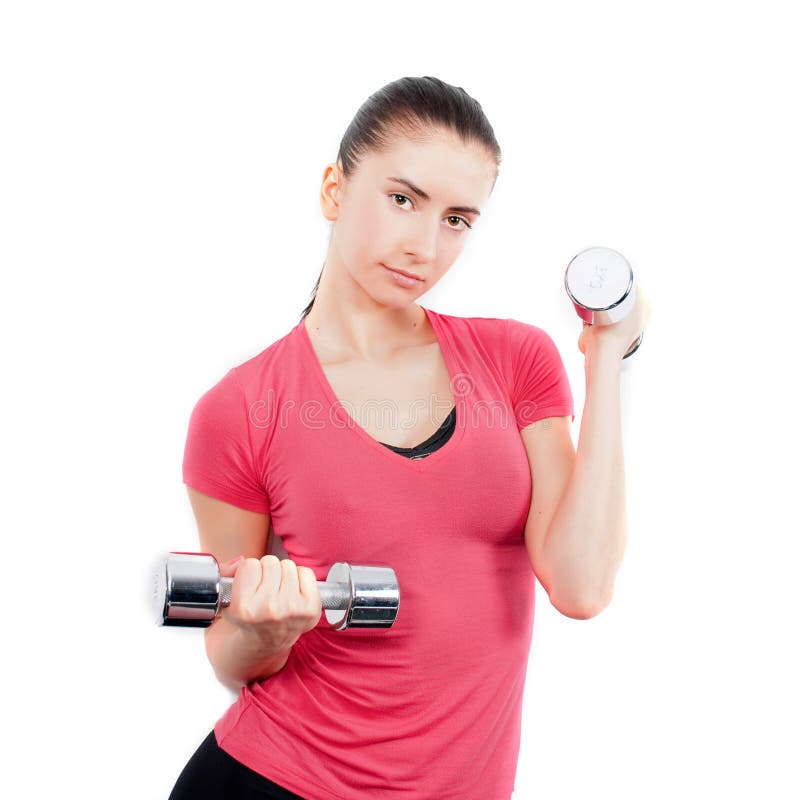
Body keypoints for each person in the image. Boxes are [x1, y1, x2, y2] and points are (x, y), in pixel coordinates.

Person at [167, 75, 650, 800]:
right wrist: (269, 629)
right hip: (273, 781)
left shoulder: (515, 359)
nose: (425, 246)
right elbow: (232, 658)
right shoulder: (240, 409)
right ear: (335, 188)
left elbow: (582, 585)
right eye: (403, 199)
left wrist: (607, 357)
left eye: (458, 219)